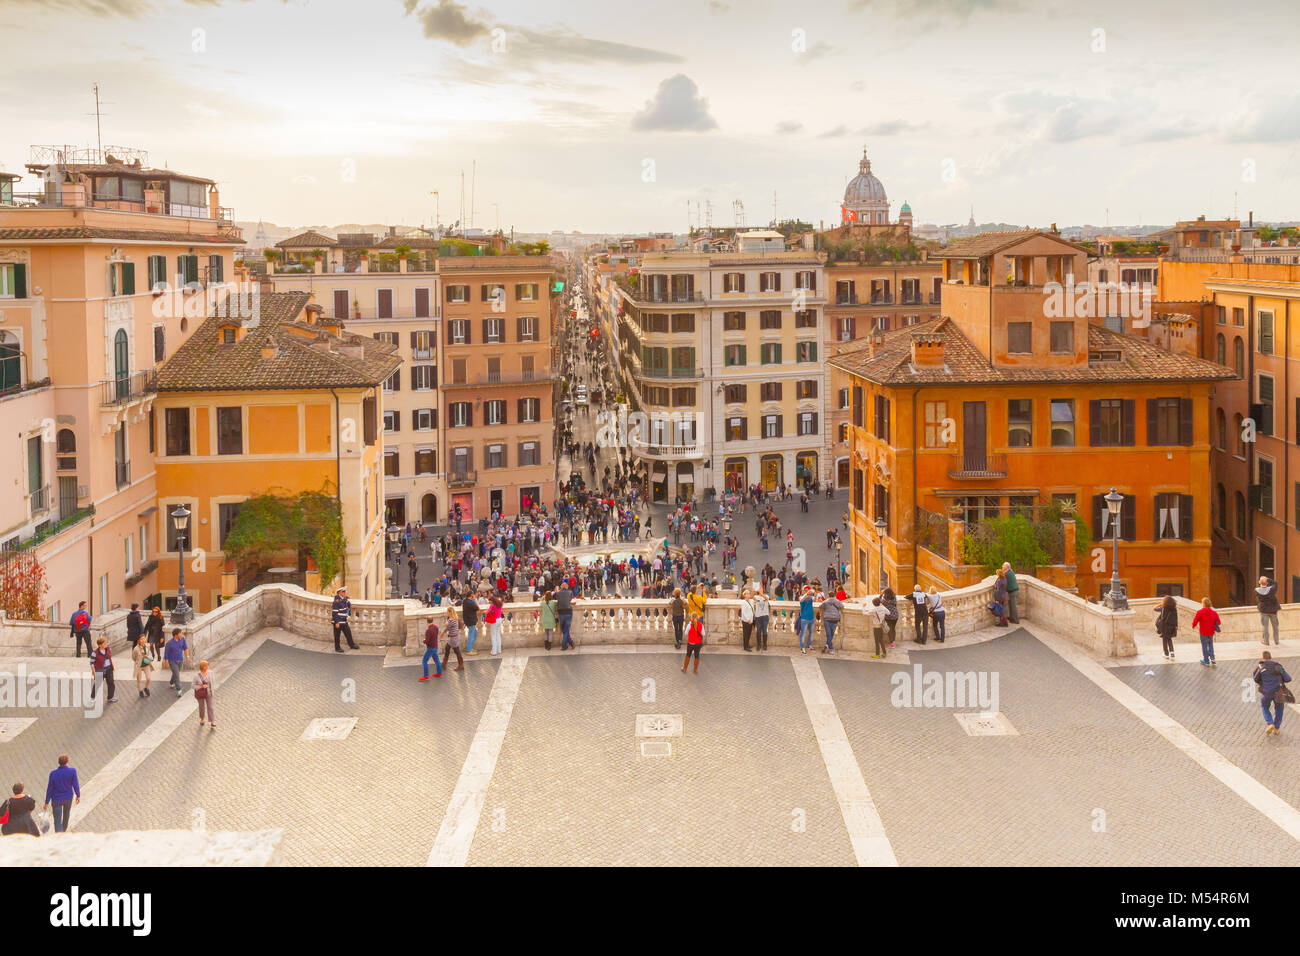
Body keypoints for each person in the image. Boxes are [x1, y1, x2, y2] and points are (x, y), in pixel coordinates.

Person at [1254, 650, 1293, 735]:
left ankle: (1270, 723)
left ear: (1263, 658)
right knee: (1279, 708)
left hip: (1267, 692)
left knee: (1264, 706)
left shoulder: (1261, 667)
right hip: (1278, 692)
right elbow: (1288, 678)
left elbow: (1256, 679)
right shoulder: (1278, 666)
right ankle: (1276, 728)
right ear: (1271, 657)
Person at [44, 755, 80, 833]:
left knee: (57, 819)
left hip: (56, 799)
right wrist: (78, 795)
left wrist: (46, 802)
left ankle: (58, 834)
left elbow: (49, 788)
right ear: (67, 761)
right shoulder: (72, 771)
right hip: (68, 797)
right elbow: (75, 784)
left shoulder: (53, 774)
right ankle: (64, 830)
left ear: (59, 763)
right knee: (66, 814)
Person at [1191, 597, 1220, 667]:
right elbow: (1219, 622)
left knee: (1204, 646)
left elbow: (1195, 621)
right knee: (1210, 645)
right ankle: (1212, 658)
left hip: (1203, 632)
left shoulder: (1200, 612)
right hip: (1211, 632)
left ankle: (1206, 661)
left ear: (1203, 604)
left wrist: (1193, 626)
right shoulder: (1214, 612)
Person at [89, 636, 117, 704]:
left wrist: (112, 667)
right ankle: (92, 697)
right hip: (100, 670)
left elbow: (109, 658)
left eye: (105, 643)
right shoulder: (95, 653)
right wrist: (93, 671)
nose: (106, 644)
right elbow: (91, 662)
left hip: (109, 669)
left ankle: (110, 697)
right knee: (97, 684)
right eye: (104, 643)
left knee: (111, 683)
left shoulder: (108, 649)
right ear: (100, 645)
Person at [331, 587, 359, 653]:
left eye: (345, 592)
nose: (345, 593)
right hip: (338, 621)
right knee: (337, 635)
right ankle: (337, 648)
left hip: (344, 620)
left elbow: (348, 605)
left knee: (348, 633)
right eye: (343, 592)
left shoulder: (345, 599)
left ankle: (352, 645)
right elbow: (334, 613)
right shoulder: (336, 601)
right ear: (339, 593)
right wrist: (337, 622)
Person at [164, 627, 189, 695]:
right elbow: (166, 654)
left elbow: (185, 648)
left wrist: (187, 656)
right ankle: (179, 690)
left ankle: (171, 682)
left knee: (176, 673)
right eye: (180, 633)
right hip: (172, 661)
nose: (181, 634)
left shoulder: (182, 640)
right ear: (176, 635)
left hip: (180, 660)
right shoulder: (169, 643)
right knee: (177, 675)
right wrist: (166, 663)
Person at [1257, 576, 1280, 646]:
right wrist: (1268, 579)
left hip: (1264, 610)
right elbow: (1275, 583)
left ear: (1259, 583)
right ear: (1267, 582)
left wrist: (1262, 581)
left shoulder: (1257, 590)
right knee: (1275, 626)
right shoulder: (1272, 589)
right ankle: (1276, 641)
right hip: (1273, 610)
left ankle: (1266, 641)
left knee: (1265, 626)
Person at [1154, 594, 1178, 660]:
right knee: (1169, 638)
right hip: (1171, 626)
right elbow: (1176, 618)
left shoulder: (1163, 608)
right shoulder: (1174, 609)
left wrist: (1160, 604)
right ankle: (1172, 652)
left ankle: (1166, 654)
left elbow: (1155, 608)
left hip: (1164, 626)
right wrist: (1176, 625)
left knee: (1164, 639)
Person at [441, 607, 465, 672]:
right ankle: (444, 663)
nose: (446, 613)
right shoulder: (455, 618)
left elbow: (448, 628)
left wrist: (442, 633)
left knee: (457, 651)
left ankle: (461, 665)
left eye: (447, 612)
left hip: (453, 638)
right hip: (454, 637)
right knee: (447, 648)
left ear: (450, 612)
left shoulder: (451, 620)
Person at [193, 660, 215, 730]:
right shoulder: (197, 676)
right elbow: (193, 685)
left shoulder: (211, 673)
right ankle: (202, 718)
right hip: (201, 694)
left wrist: (212, 690)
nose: (208, 667)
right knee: (201, 707)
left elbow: (213, 682)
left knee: (211, 707)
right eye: (206, 666)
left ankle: (212, 721)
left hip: (209, 693)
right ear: (203, 667)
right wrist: (201, 687)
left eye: (208, 665)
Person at [419, 616, 442, 680]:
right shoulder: (436, 627)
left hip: (430, 648)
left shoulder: (428, 630)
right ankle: (439, 673)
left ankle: (426, 676)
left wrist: (424, 640)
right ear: (432, 620)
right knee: (437, 660)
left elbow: (427, 641)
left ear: (427, 622)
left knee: (424, 661)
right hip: (435, 646)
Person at [821, 589, 844, 654]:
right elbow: (842, 606)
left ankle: (829, 647)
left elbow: (820, 607)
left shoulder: (825, 602)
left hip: (827, 619)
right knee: (831, 634)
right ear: (834, 595)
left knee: (828, 634)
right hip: (835, 619)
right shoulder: (837, 601)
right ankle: (829, 647)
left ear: (828, 595)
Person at [556, 583, 575, 650]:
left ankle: (565, 645)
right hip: (568, 611)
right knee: (566, 629)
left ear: (561, 587)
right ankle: (570, 642)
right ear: (566, 587)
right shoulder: (570, 592)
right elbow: (569, 600)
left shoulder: (557, 593)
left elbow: (557, 600)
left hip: (561, 612)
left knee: (564, 629)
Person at [753, 587, 770, 652]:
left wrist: (761, 594)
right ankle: (759, 645)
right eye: (759, 589)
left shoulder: (766, 596)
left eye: (761, 588)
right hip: (758, 616)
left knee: (765, 631)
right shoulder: (756, 596)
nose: (760, 589)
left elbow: (767, 598)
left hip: (765, 616)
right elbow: (753, 598)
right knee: (758, 631)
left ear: (763, 590)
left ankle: (765, 645)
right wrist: (757, 592)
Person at [739, 587, 755, 651]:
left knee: (749, 633)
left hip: (751, 620)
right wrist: (748, 620)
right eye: (747, 593)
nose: (748, 594)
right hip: (746, 621)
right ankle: (745, 647)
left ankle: (747, 644)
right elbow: (744, 613)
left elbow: (755, 599)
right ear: (744, 595)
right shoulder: (743, 602)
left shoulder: (751, 601)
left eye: (749, 593)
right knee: (745, 634)